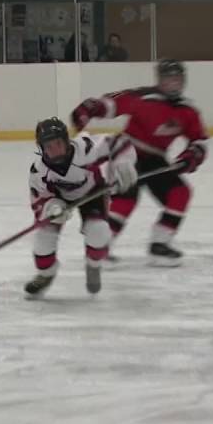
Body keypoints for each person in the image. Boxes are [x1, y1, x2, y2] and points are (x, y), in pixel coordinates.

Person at [70, 59, 209, 266]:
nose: (173, 84)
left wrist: (192, 156)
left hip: (156, 158)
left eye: (177, 80)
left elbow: (198, 139)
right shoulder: (143, 97)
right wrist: (91, 108)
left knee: (180, 193)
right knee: (127, 198)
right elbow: (113, 102)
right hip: (127, 151)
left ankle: (159, 245)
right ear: (159, 80)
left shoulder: (188, 111)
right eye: (169, 79)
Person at [25, 118, 137, 298]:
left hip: (93, 193)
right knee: (43, 239)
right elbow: (38, 201)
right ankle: (46, 274)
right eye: (49, 146)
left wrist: (124, 163)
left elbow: (120, 142)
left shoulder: (86, 148)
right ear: (41, 148)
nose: (54, 150)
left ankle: (93, 265)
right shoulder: (39, 171)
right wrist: (51, 208)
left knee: (99, 232)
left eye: (58, 143)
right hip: (59, 200)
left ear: (67, 140)